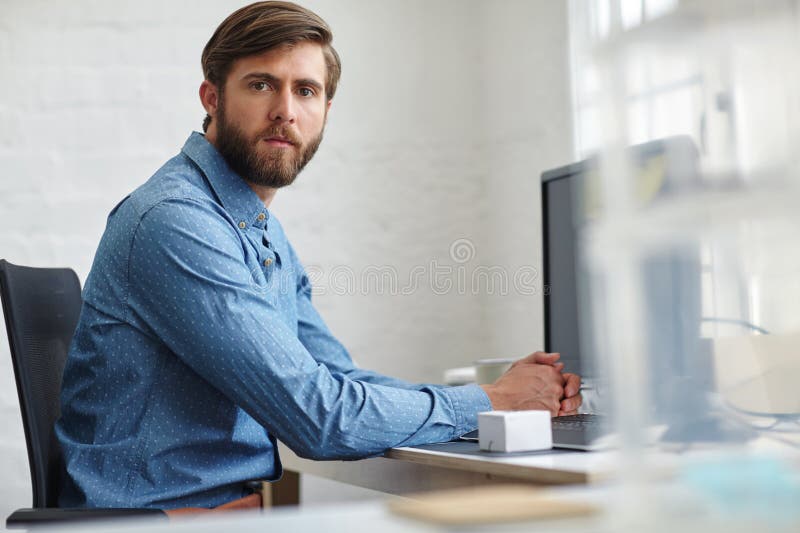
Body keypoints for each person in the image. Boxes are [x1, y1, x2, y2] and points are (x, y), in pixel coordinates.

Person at [56, 1, 582, 510]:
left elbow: (337, 379)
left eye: (305, 90)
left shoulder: (257, 229)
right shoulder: (177, 223)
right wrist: (491, 401)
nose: (285, 111)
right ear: (212, 97)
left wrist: (497, 396)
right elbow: (321, 418)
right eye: (261, 85)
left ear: (325, 111)